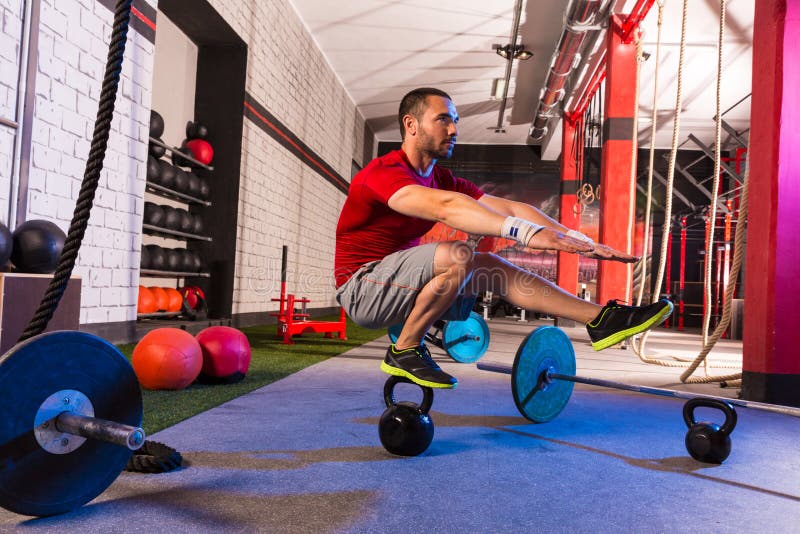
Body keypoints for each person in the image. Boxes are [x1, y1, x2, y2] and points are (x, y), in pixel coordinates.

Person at [334, 87, 673, 389]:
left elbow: (511, 207)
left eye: (454, 121)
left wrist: (574, 237)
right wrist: (526, 235)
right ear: (411, 125)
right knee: (459, 255)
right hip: (363, 289)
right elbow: (446, 208)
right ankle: (404, 350)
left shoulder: (440, 177)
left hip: (400, 287)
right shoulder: (383, 174)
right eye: (442, 120)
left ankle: (601, 320)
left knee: (489, 265)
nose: (453, 130)